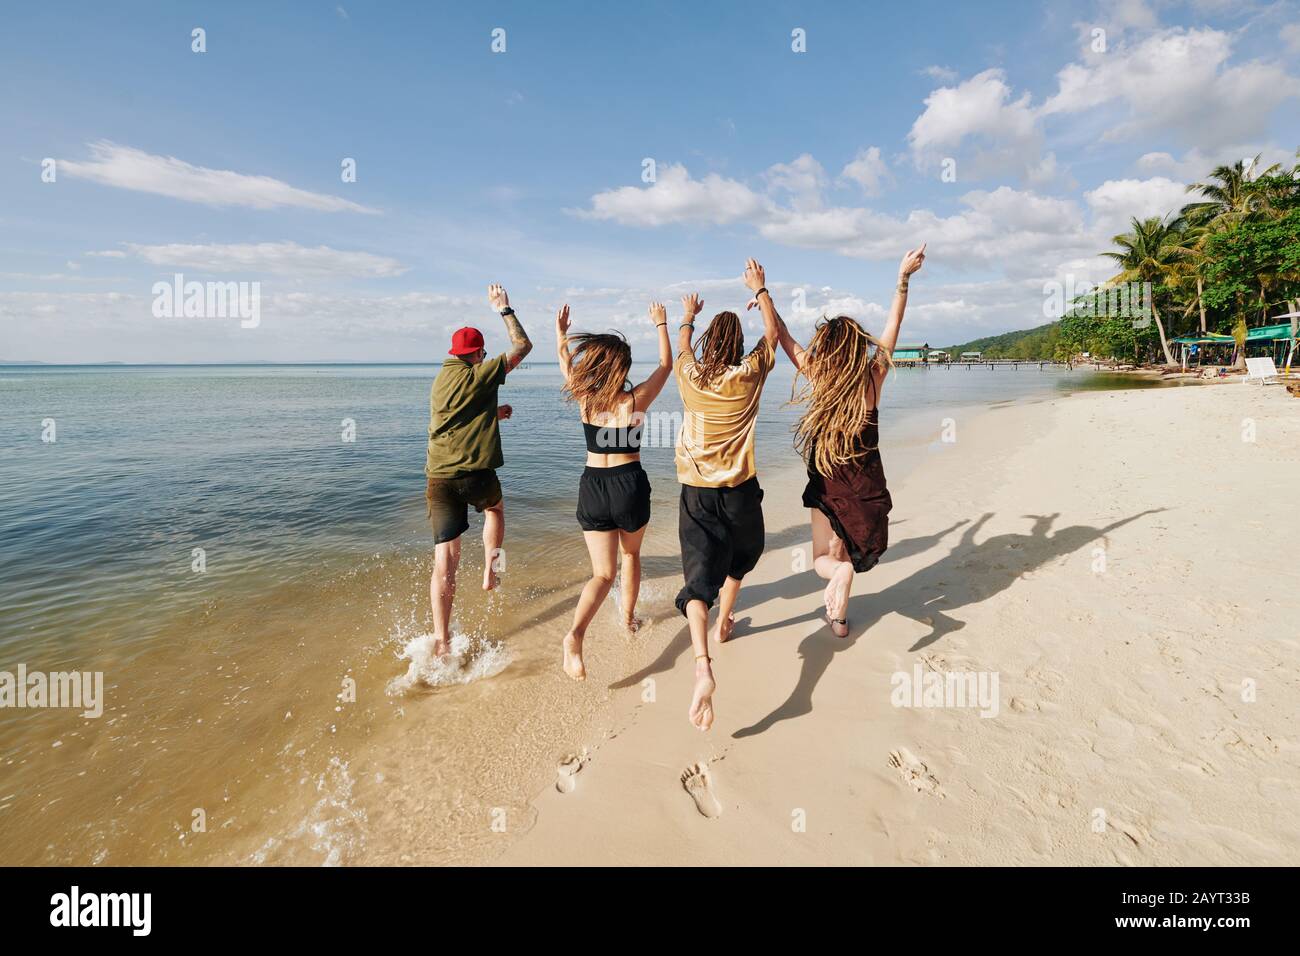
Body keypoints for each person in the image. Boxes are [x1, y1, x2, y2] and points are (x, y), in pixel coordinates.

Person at [776, 245, 927, 637]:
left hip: (829, 485)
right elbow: (894, 325)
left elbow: (784, 338)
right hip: (867, 489)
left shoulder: (818, 378)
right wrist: (903, 280)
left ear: (826, 351)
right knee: (843, 550)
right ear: (857, 348)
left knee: (825, 560)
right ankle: (839, 619)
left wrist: (764, 296)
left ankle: (838, 580)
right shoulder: (872, 379)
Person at [674, 259, 783, 730]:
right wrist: (760, 291)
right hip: (740, 490)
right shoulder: (749, 374)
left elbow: (681, 348)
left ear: (705, 345)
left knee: (698, 585)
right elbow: (774, 336)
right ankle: (726, 622)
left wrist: (685, 317)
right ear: (738, 345)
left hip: (696, 492)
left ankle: (702, 663)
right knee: (742, 556)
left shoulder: (689, 375)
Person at [555, 302, 673, 680]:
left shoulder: (585, 400)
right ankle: (627, 619)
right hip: (628, 483)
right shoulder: (634, 400)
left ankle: (575, 635)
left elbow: (563, 359)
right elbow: (666, 365)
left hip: (592, 486)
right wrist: (661, 323)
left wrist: (561, 333)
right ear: (620, 369)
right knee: (631, 556)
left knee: (601, 574)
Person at [424, 283, 532, 656]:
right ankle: (491, 569)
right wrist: (504, 309)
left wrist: (492, 414)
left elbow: (457, 417)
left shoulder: (441, 381)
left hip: (439, 479)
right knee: (496, 510)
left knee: (445, 563)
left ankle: (442, 639)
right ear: (477, 354)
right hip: (477, 475)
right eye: (483, 353)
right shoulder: (479, 373)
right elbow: (523, 346)